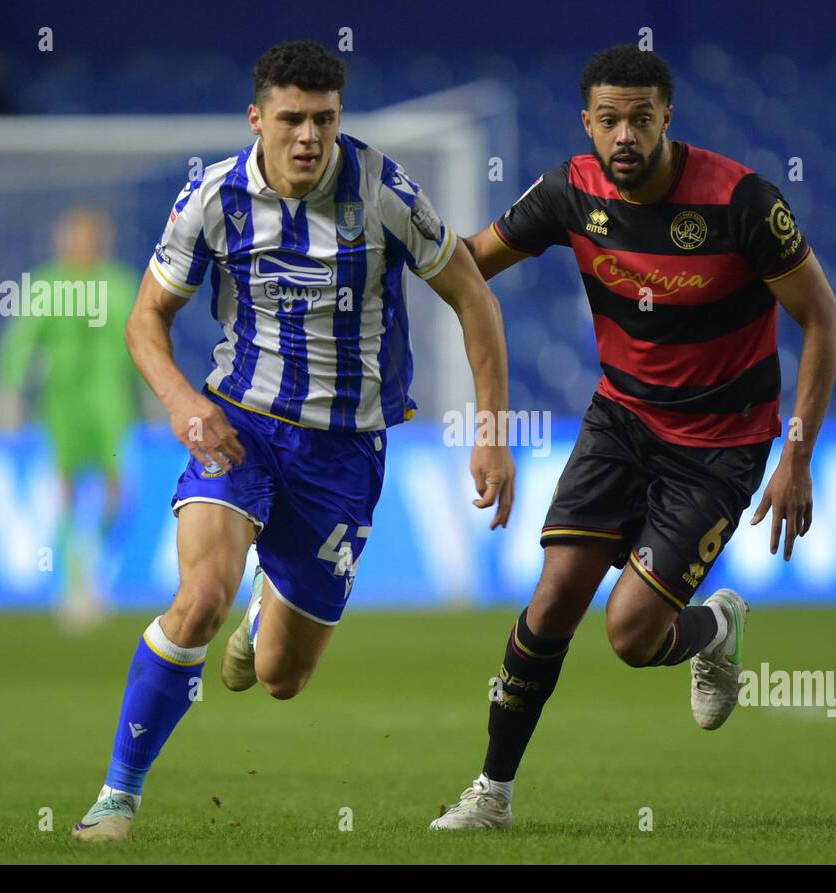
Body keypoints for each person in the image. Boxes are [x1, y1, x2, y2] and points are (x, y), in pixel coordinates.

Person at [71, 40, 514, 842]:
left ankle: (266, 606)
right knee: (200, 596)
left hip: (344, 453)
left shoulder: (381, 190)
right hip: (238, 427)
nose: (309, 136)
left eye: (324, 120)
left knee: (278, 676)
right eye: (291, 120)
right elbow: (146, 320)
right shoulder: (213, 197)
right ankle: (117, 795)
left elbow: (473, 297)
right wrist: (179, 402)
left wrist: (491, 433)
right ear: (258, 119)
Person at [430, 45, 836, 829]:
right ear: (587, 122)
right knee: (552, 601)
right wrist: (392, 252)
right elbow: (469, 266)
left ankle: (716, 625)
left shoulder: (742, 203)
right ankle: (492, 793)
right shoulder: (569, 191)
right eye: (610, 120)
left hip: (720, 441)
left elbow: (821, 318)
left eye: (642, 120)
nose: (625, 136)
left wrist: (797, 453)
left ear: (667, 121)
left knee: (628, 634)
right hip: (622, 419)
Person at [0, 206, 140, 628]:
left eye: (89, 236)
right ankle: (75, 586)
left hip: (110, 404)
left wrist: (156, 392)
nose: (81, 244)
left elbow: (144, 341)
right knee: (66, 492)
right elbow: (22, 339)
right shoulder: (45, 285)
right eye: (74, 236)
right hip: (61, 404)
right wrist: (7, 390)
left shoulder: (122, 284)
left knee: (118, 494)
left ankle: (91, 564)